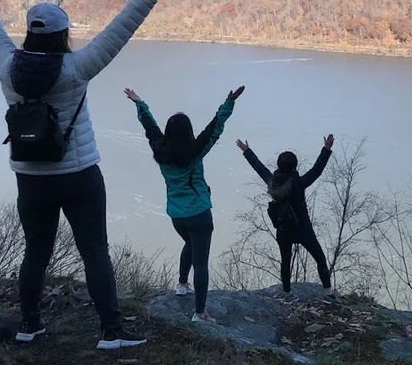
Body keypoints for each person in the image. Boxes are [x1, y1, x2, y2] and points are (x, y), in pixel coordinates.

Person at [0, 0, 162, 350]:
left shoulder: (7, 66)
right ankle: (111, 331)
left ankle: (30, 324)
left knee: (35, 252)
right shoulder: (76, 67)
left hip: (30, 178)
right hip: (79, 175)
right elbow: (116, 34)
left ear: (30, 35)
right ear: (63, 34)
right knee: (94, 251)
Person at [123, 85, 245, 323]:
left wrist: (140, 103)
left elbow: (150, 128)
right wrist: (229, 102)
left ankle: (181, 284)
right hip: (199, 213)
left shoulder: (160, 150)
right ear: (189, 131)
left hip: (176, 216)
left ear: (169, 132)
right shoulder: (195, 151)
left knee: (189, 244)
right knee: (201, 262)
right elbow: (214, 128)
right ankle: (200, 313)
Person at [235, 134, 337, 303]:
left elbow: (259, 168)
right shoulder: (298, 183)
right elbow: (316, 170)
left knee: (285, 260)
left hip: (283, 228)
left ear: (279, 166)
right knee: (319, 258)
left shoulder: (272, 182)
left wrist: (247, 151)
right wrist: (326, 149)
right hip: (303, 229)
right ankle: (327, 293)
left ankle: (287, 294)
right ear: (294, 166)